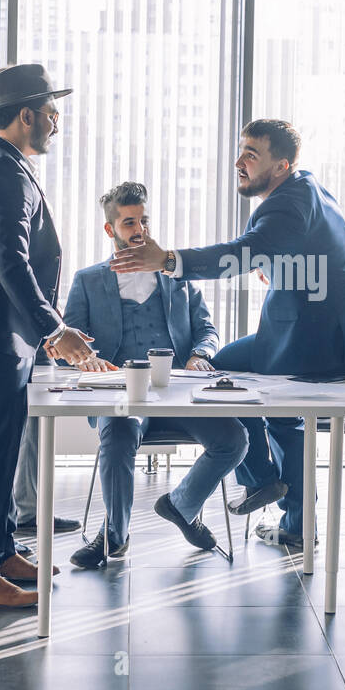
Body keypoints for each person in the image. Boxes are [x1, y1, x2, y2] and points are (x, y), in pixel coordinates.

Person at [109, 119, 345, 551]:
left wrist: (169, 259)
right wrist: (275, 268)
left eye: (251, 155)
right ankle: (288, 515)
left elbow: (240, 252)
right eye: (241, 151)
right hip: (334, 334)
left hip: (316, 343)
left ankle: (262, 482)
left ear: (282, 165)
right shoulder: (309, 189)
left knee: (222, 375)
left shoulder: (285, 204)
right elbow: (300, 254)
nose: (239, 162)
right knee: (252, 392)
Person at [0, 63, 97, 608]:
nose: (56, 123)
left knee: (4, 450)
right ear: (27, 115)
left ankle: (1, 549)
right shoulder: (3, 170)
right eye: (52, 113)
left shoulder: (6, 162)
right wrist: (54, 331)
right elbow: (11, 261)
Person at [61, 182, 248, 568]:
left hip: (179, 392)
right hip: (123, 395)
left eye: (144, 220)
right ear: (110, 229)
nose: (140, 229)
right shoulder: (87, 281)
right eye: (129, 222)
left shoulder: (175, 274)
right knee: (117, 435)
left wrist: (199, 355)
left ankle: (182, 505)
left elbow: (207, 330)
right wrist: (87, 360)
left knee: (234, 438)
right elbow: (70, 345)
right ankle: (114, 534)